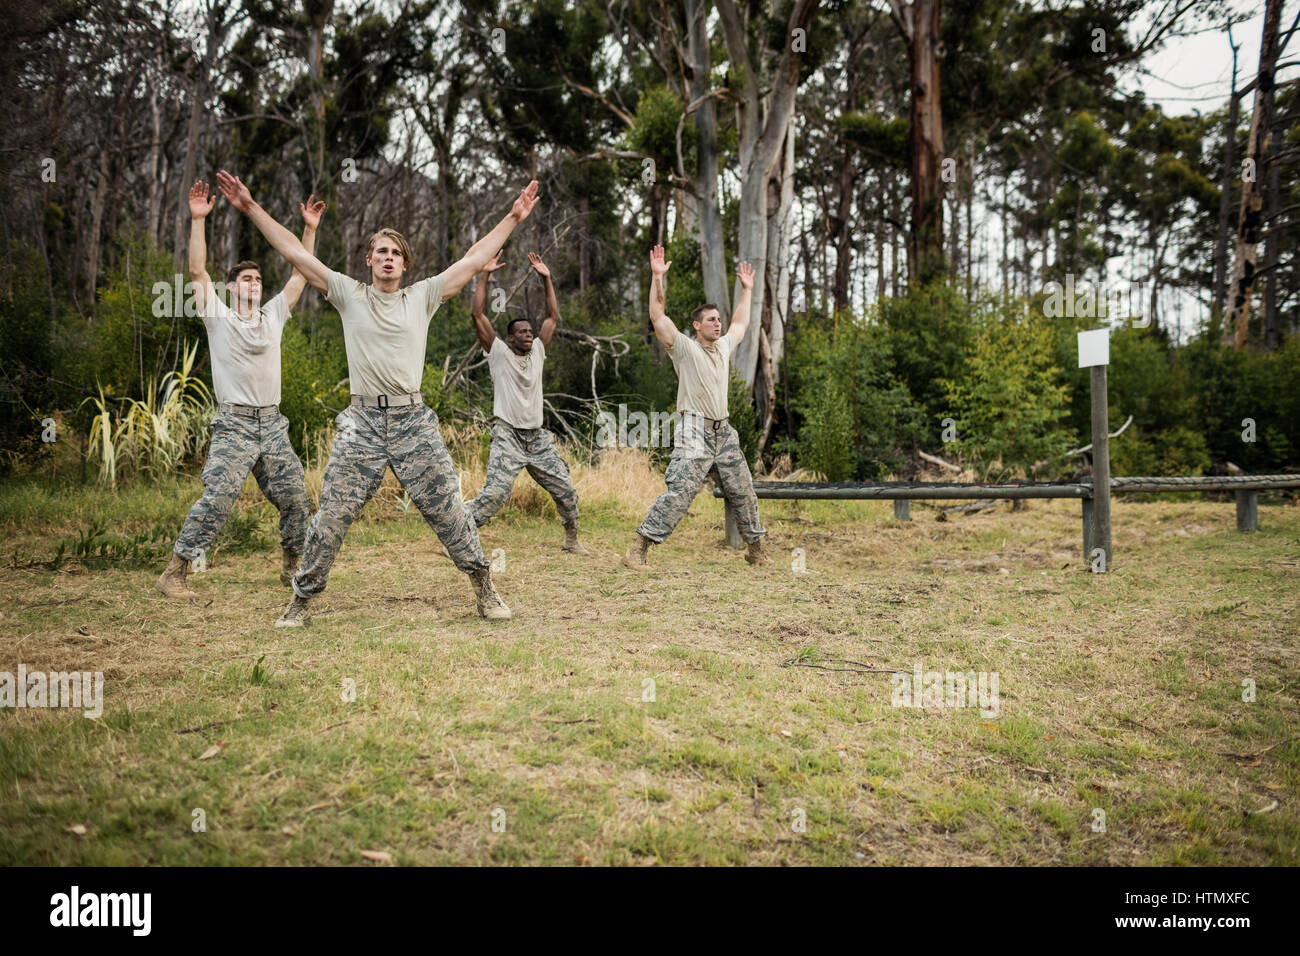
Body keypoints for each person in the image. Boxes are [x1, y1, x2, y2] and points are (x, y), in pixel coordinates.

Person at [214, 169, 538, 627]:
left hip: (413, 421)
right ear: (369, 261)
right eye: (381, 252)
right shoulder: (349, 294)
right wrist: (248, 206)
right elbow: (292, 250)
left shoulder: (423, 296)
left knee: (448, 510)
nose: (388, 258)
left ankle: (484, 587)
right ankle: (301, 601)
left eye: (396, 254)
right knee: (331, 515)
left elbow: (471, 259)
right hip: (361, 424)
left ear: (405, 265)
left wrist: (513, 215)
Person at [156, 180, 322, 601]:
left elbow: (303, 269)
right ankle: (175, 572)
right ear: (232, 287)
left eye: (258, 279)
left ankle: (290, 567)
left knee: (295, 499)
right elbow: (197, 271)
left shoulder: (274, 315)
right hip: (235, 424)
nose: (254, 283)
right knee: (219, 498)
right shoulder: (218, 315)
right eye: (246, 279)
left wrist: (309, 229)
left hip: (273, 424)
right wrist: (198, 220)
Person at [624, 244, 770, 570]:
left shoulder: (723, 348)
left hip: (724, 432)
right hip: (694, 430)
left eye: (719, 319)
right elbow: (657, 315)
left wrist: (747, 291)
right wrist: (657, 277)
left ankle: (756, 550)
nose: (718, 325)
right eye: (711, 321)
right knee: (680, 493)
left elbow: (742, 325)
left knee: (744, 490)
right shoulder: (685, 350)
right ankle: (638, 550)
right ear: (696, 326)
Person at [463, 251, 586, 553]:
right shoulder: (499, 353)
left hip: (537, 437)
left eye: (530, 332)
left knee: (566, 490)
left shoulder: (539, 353)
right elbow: (478, 314)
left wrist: (546, 279)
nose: (529, 335)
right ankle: (459, 534)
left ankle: (572, 539)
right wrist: (485, 275)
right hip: (508, 435)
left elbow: (552, 317)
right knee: (495, 494)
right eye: (522, 332)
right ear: (510, 337)